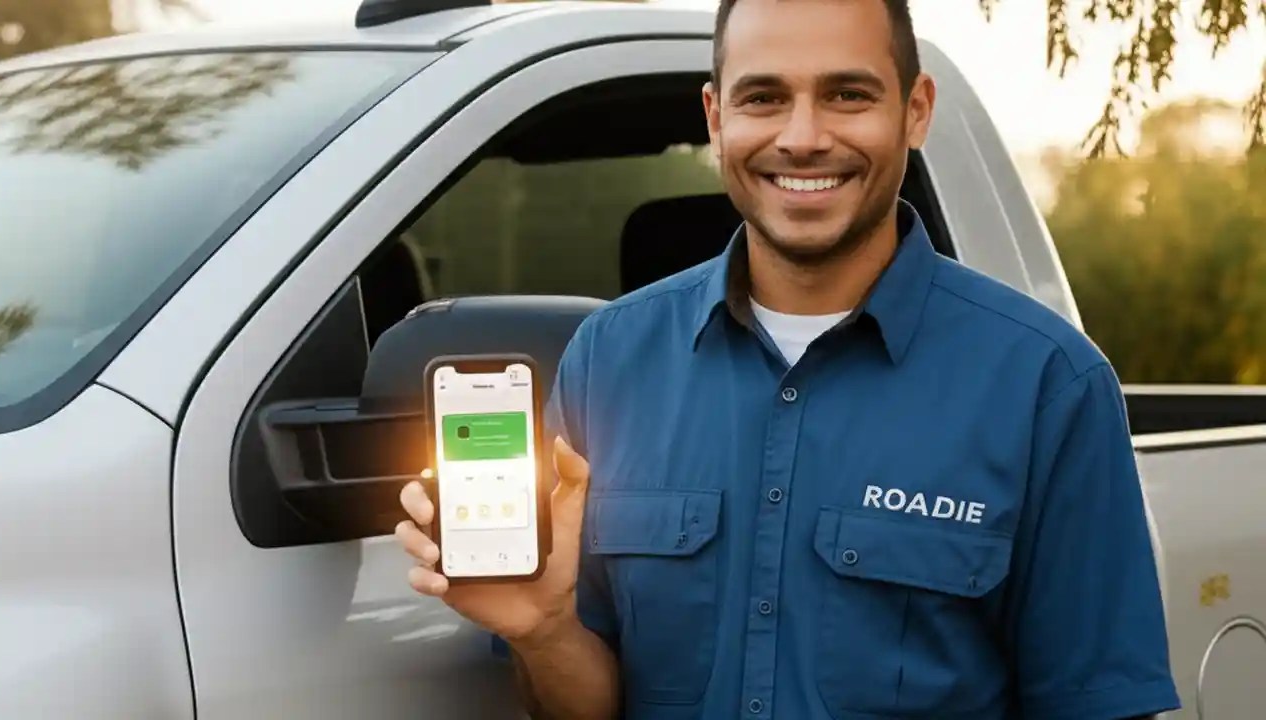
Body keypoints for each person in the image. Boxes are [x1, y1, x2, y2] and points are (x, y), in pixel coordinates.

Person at [394, 0, 1183, 717]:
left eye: (848, 94)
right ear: (715, 116)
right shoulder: (608, 361)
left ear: (915, 111)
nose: (802, 137)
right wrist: (546, 630)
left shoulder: (1046, 385)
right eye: (763, 97)